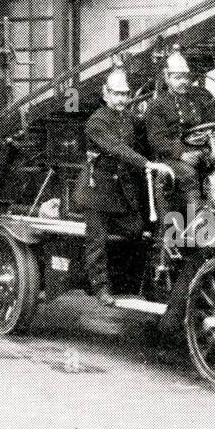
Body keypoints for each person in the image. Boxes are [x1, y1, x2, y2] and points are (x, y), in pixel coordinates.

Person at [72, 66, 148, 306]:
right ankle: (100, 287)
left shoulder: (128, 119)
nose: (122, 99)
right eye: (116, 94)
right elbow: (117, 148)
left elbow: (144, 137)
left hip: (118, 192)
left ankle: (125, 281)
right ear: (105, 93)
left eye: (125, 94)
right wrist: (145, 163)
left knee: (136, 230)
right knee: (97, 240)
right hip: (96, 192)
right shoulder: (96, 121)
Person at [145, 47, 215, 219]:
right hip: (170, 158)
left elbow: (208, 129)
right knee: (189, 173)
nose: (183, 82)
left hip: (197, 153)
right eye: (177, 78)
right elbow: (156, 140)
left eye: (186, 77)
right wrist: (181, 154)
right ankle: (199, 219)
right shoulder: (157, 105)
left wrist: (212, 150)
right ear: (167, 77)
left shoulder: (197, 101)